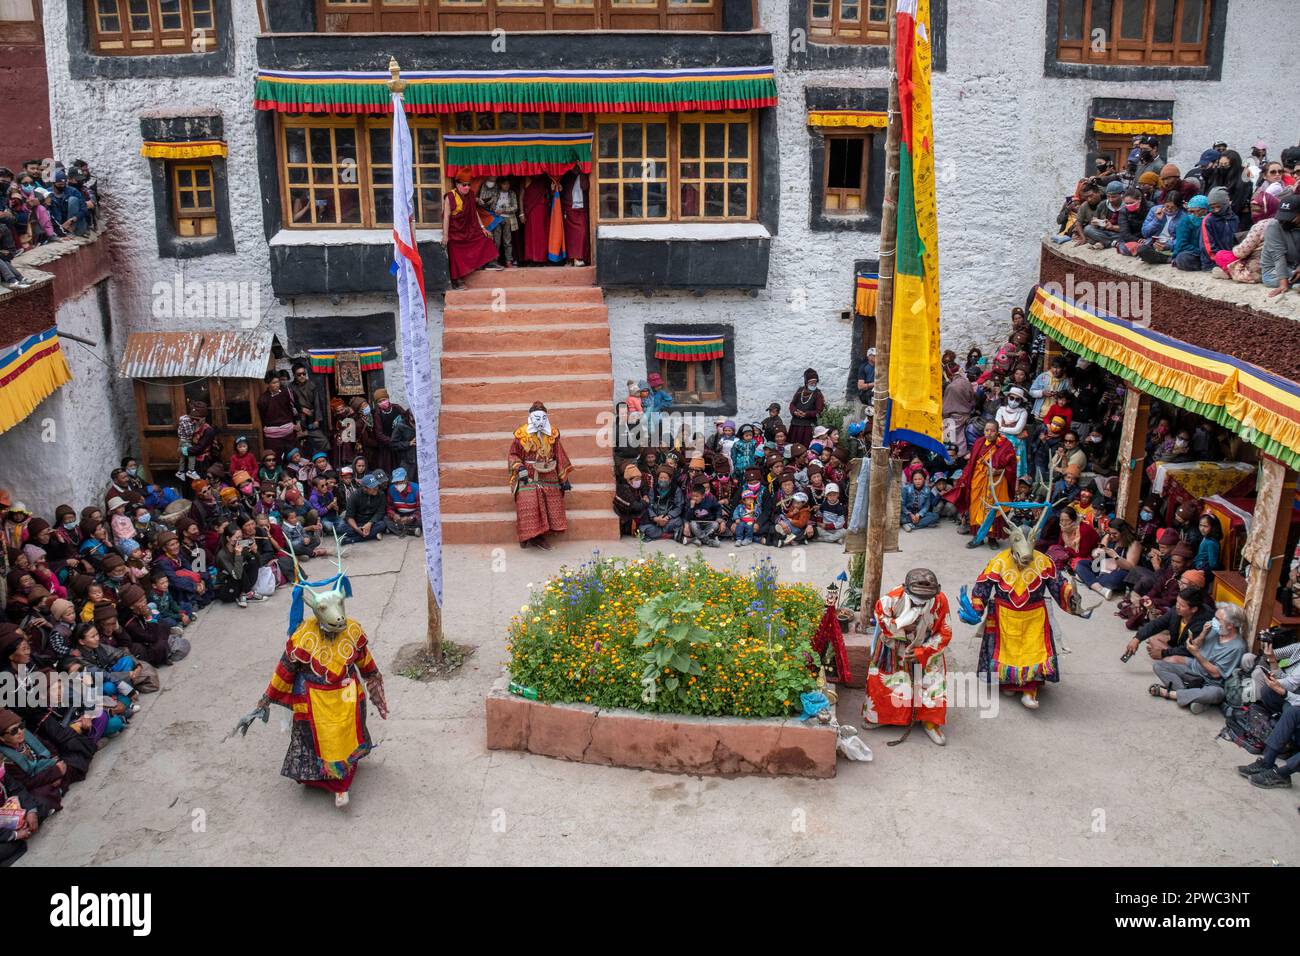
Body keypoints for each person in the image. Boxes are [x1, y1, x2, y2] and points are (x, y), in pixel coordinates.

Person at [237, 569, 387, 808]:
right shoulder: (303, 636)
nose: (338, 618)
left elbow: (365, 662)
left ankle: (341, 786)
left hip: (347, 695)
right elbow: (285, 669)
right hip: (313, 700)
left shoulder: (353, 630)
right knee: (314, 739)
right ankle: (323, 779)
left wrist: (375, 685)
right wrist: (267, 698)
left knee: (345, 736)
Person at [962, 506, 1083, 710]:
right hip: (1003, 615)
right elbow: (983, 585)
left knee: (1033, 652)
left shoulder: (1044, 562)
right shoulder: (999, 561)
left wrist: (1071, 596)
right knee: (1005, 652)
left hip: (1034, 615)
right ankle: (1009, 682)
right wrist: (976, 607)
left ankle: (1029, 690)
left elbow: (1058, 585)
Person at [865, 568, 951, 745]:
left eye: (926, 599)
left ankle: (930, 721)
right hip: (895, 645)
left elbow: (945, 631)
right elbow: (882, 620)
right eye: (918, 598)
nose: (921, 602)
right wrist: (903, 629)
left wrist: (923, 651)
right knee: (885, 681)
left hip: (927, 647)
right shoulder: (891, 599)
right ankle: (881, 717)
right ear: (906, 589)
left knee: (933, 682)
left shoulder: (940, 601)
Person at [1149, 602, 1246, 714]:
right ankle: (1192, 697)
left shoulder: (1237, 647)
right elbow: (1196, 645)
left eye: (1218, 619)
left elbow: (1216, 674)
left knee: (1216, 694)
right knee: (1160, 665)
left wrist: (1197, 654)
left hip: (1211, 682)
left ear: (1230, 625)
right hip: (1194, 667)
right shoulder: (1215, 630)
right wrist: (1203, 634)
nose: (1213, 621)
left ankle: (1171, 694)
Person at [508, 402, 572, 551]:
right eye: (537, 418)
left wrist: (564, 479)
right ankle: (529, 535)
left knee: (553, 496)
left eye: (543, 418)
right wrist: (520, 467)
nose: (540, 421)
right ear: (530, 418)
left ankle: (542, 534)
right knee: (528, 498)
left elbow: (559, 455)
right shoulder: (521, 435)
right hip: (527, 475)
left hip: (549, 473)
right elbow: (513, 455)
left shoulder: (553, 434)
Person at [946, 419, 1016, 548]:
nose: (989, 433)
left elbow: (1011, 467)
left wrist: (998, 471)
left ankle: (992, 538)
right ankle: (977, 537)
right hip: (979, 480)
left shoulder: (1006, 445)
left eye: (992, 431)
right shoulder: (979, 442)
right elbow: (972, 463)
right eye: (986, 430)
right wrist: (964, 478)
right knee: (976, 507)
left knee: (993, 508)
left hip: (996, 483)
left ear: (997, 431)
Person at [442, 170, 503, 289]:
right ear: (457, 184)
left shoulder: (470, 195)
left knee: (485, 237)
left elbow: (474, 212)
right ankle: (458, 280)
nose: (467, 187)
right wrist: (445, 235)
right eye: (464, 185)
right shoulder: (450, 197)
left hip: (468, 229)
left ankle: (488, 263)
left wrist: (482, 228)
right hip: (456, 232)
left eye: (468, 184)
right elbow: (446, 216)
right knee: (453, 248)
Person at [1128, 587, 1212, 662]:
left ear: (1193, 609)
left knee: (1170, 660)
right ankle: (1169, 654)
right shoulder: (1176, 611)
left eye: (1182, 605)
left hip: (1194, 654)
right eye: (1177, 603)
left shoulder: (1202, 622)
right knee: (1153, 638)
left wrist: (1163, 653)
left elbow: (1188, 649)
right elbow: (1157, 624)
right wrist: (1137, 638)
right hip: (1178, 644)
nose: (1177, 607)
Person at [1260, 193, 1300, 295]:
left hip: (1295, 266)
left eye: (1290, 217)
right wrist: (1283, 283)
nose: (1284, 221)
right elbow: (1278, 256)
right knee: (1270, 279)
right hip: (1274, 269)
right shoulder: (1274, 226)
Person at [257, 372, 299, 459]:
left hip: (288, 432)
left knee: (293, 457)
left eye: (277, 382)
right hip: (273, 436)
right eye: (273, 383)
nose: (277, 385)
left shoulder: (287, 392)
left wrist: (297, 423)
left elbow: (296, 407)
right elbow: (263, 418)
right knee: (276, 459)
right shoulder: (263, 400)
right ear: (268, 384)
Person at [344, 474, 389, 543]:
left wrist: (369, 523)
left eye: (376, 485)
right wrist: (357, 529)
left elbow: (381, 512)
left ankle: (353, 539)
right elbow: (349, 517)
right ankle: (373, 535)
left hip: (372, 522)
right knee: (340, 528)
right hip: (358, 523)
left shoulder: (381, 494)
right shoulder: (354, 496)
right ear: (364, 488)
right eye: (373, 487)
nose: (376, 488)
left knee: (383, 524)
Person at [560, 167, 589, 266]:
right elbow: (561, 190)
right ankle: (570, 259)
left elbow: (585, 187)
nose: (575, 168)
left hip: (581, 210)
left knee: (582, 232)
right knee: (569, 236)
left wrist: (582, 173)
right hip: (569, 210)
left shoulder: (582, 175)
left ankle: (579, 257)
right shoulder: (567, 177)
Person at [787, 369, 824, 447]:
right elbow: (792, 404)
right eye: (811, 383)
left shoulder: (818, 394)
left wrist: (806, 414)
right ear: (806, 382)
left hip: (808, 426)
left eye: (815, 382)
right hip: (796, 424)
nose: (813, 384)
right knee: (794, 446)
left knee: (805, 446)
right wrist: (794, 412)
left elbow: (819, 411)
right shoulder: (800, 391)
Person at [679, 482, 721, 547]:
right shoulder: (690, 501)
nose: (694, 498)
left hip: (707, 522)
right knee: (693, 524)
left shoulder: (710, 499)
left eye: (697, 496)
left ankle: (696, 539)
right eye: (693, 496)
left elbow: (718, 508)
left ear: (703, 496)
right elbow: (687, 517)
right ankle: (708, 541)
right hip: (696, 523)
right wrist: (691, 507)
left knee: (716, 525)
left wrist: (718, 517)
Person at [492, 177, 519, 267]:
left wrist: (503, 210)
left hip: (508, 219)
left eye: (508, 184)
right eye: (504, 184)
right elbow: (491, 205)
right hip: (496, 219)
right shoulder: (496, 193)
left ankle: (509, 261)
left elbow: (515, 207)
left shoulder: (512, 193)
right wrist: (495, 210)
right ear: (500, 185)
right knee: (496, 241)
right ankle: (494, 260)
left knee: (507, 241)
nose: (507, 186)